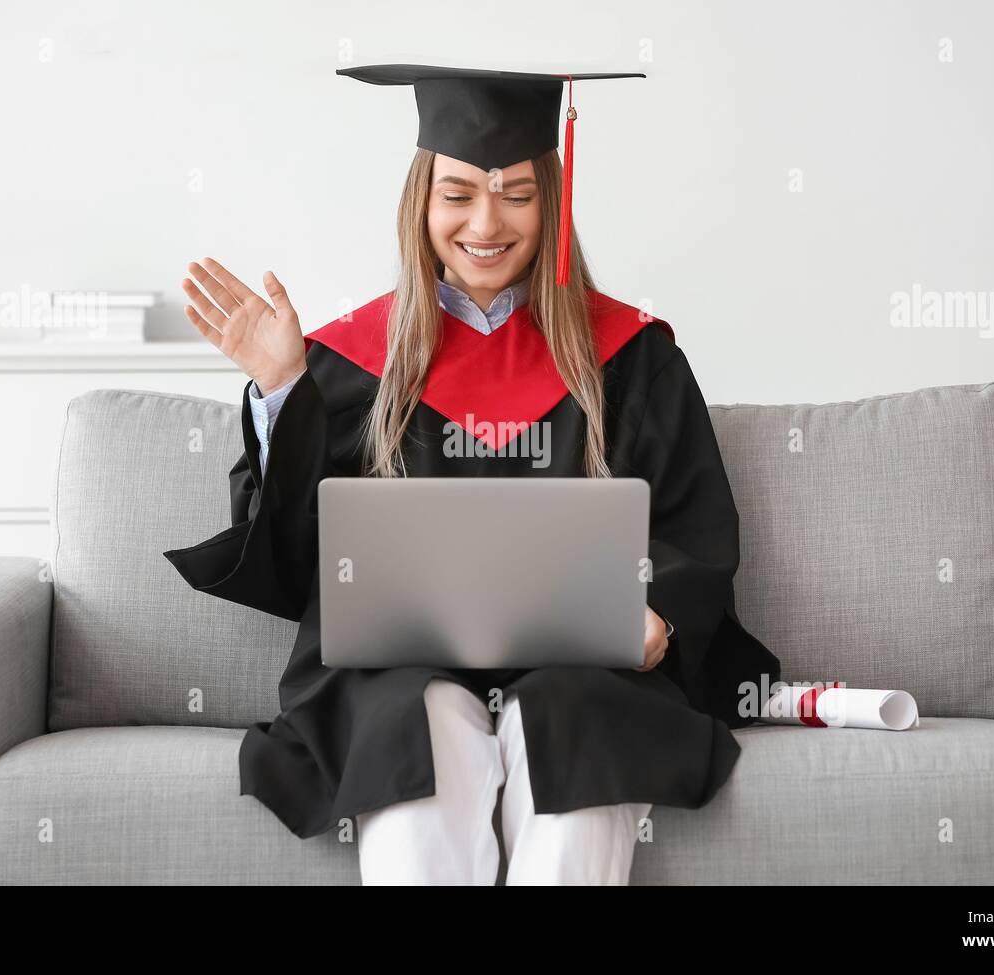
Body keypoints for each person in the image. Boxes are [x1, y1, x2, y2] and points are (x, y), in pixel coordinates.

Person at [163, 63, 781, 885]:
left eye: (516, 194)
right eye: (457, 194)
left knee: (576, 726)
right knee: (417, 731)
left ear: (551, 202)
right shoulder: (348, 364)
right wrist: (283, 389)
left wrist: (659, 613)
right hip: (398, 675)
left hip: (587, 671)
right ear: (420, 203)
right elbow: (291, 556)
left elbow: (693, 524)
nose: (486, 222)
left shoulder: (633, 358)